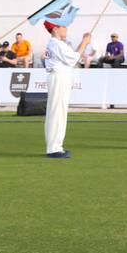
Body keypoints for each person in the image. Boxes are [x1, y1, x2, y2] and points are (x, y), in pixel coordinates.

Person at [42, 19, 92, 160]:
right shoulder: (56, 44)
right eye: (63, 26)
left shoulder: (57, 44)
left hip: (58, 76)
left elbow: (72, 56)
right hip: (59, 76)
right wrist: (85, 42)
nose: (66, 29)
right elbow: (74, 58)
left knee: (56, 111)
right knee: (57, 112)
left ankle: (55, 146)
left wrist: (83, 42)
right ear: (55, 29)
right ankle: (54, 148)